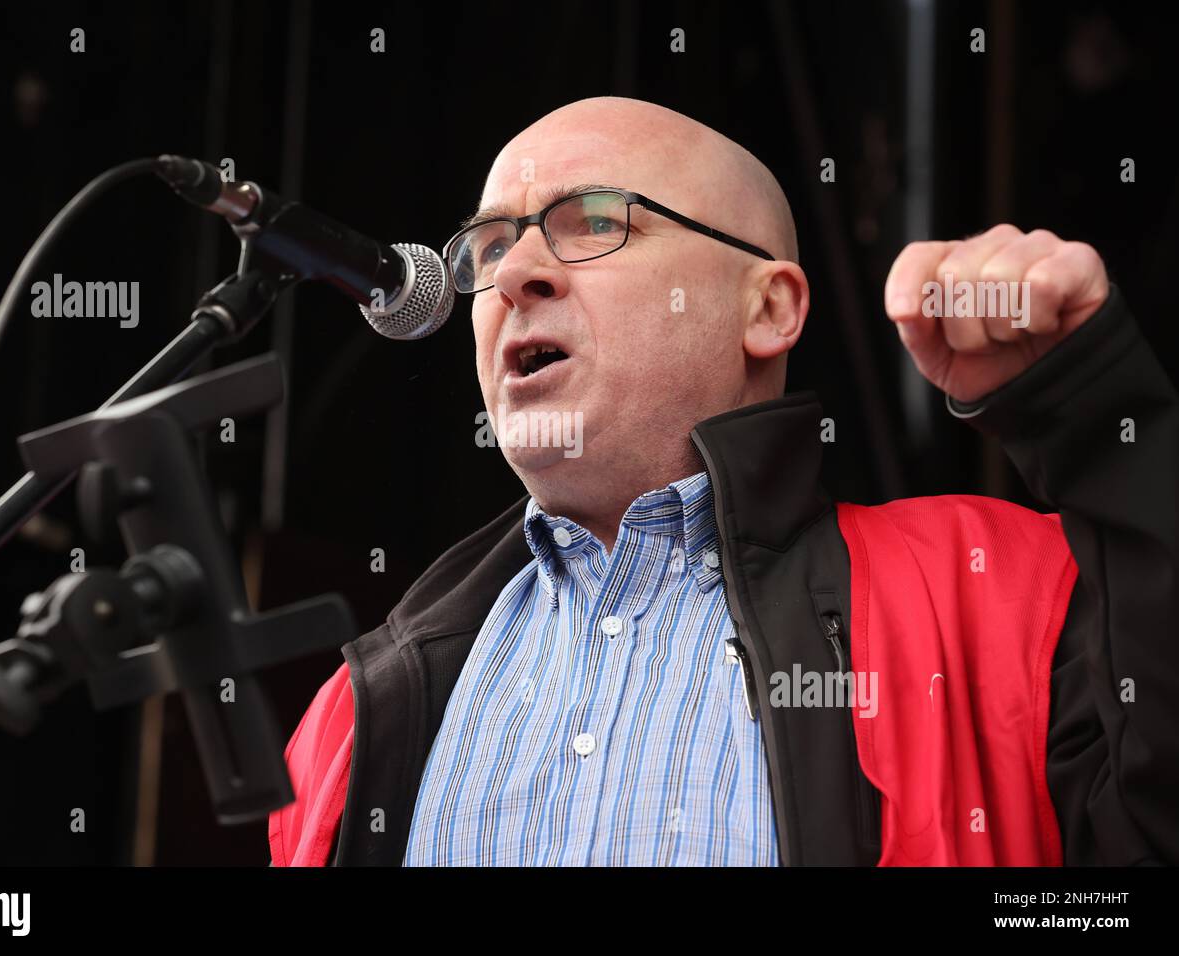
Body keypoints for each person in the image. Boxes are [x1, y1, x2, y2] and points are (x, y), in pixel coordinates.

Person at [268, 96, 1178, 866]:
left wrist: (1095, 417)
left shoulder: (994, 590)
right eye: (493, 245)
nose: (519, 275)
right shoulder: (353, 717)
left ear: (770, 308)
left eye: (594, 220)